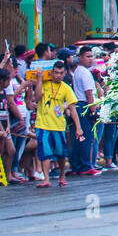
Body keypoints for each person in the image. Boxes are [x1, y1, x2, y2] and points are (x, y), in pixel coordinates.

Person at [31, 59, 83, 188]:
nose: (58, 75)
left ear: (65, 73)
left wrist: (78, 127)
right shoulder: (44, 83)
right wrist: (39, 80)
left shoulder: (66, 88)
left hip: (58, 125)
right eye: (55, 72)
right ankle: (47, 179)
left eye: (60, 73)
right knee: (45, 151)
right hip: (42, 124)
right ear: (52, 72)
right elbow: (37, 98)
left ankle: (62, 175)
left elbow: (72, 108)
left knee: (61, 153)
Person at [70, 47, 102, 177]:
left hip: (79, 106)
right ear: (80, 58)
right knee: (87, 138)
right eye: (87, 57)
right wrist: (93, 111)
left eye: (91, 57)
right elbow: (89, 93)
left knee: (79, 138)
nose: (90, 59)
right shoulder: (84, 72)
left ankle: (77, 166)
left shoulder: (79, 71)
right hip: (85, 105)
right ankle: (85, 166)